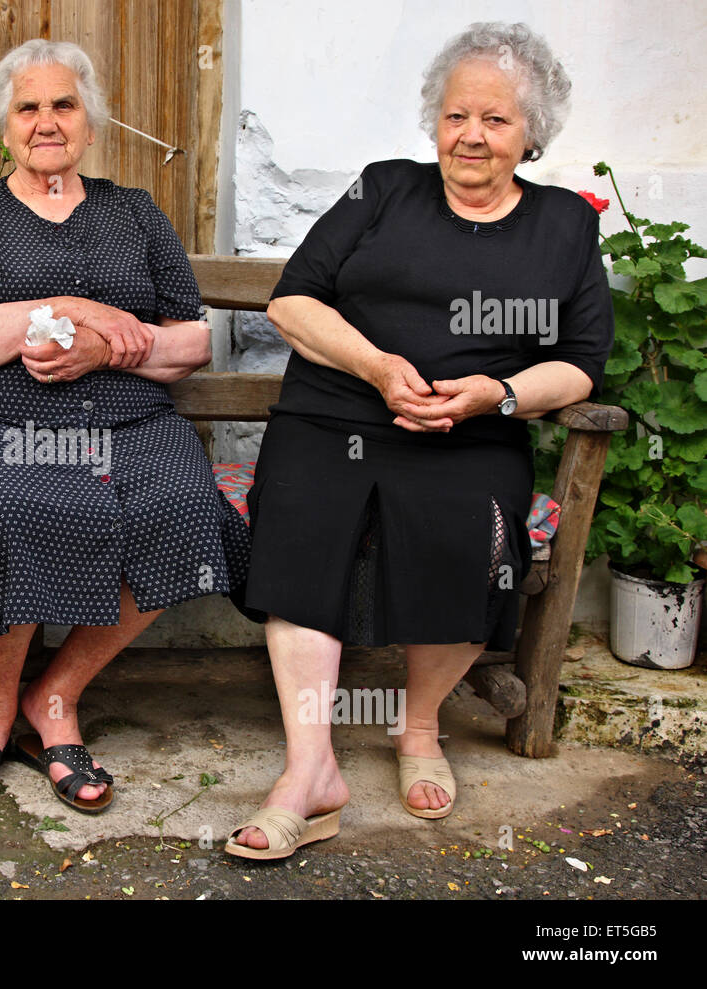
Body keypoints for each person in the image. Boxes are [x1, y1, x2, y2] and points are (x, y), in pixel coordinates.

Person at [226, 22, 613, 859]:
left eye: (495, 120)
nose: (469, 135)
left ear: (531, 132)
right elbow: (293, 303)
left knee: (473, 537)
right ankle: (309, 768)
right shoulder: (383, 190)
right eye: (455, 115)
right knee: (300, 526)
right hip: (337, 412)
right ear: (435, 121)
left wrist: (496, 396)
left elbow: (580, 365)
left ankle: (419, 724)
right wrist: (374, 366)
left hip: (469, 432)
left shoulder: (565, 227)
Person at [0, 39, 250, 815]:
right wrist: (68, 310)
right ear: (5, 124)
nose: (45, 121)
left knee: (185, 505)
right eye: (27, 107)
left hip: (128, 419)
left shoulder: (135, 212)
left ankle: (55, 694)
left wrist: (109, 348)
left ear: (90, 121)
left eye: (63, 104)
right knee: (10, 502)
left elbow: (192, 340)